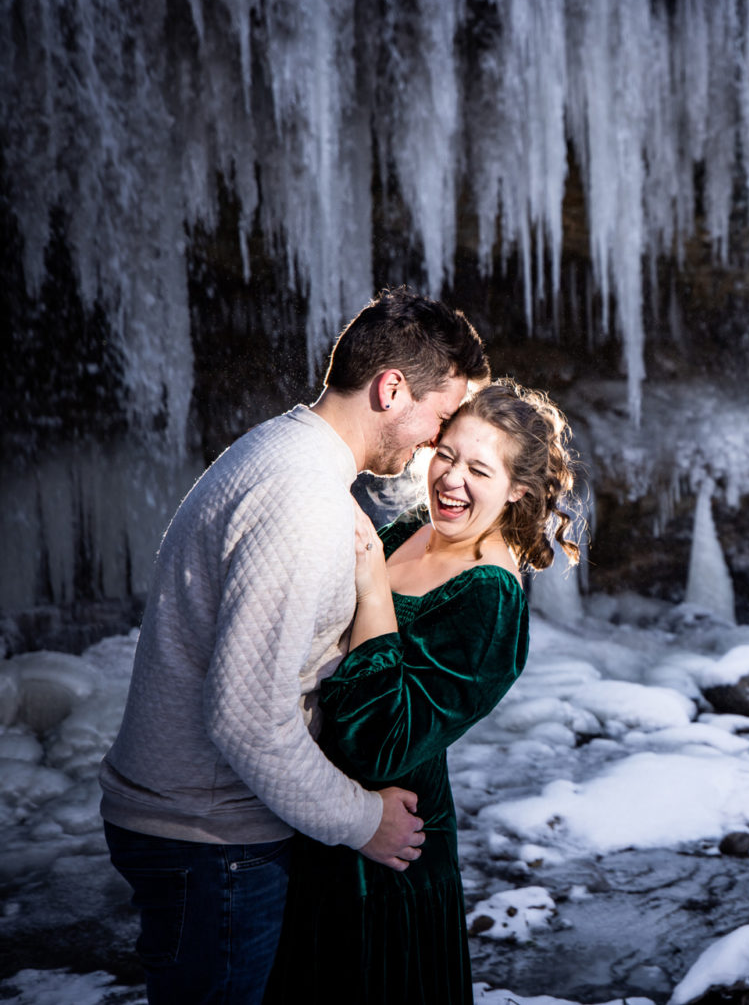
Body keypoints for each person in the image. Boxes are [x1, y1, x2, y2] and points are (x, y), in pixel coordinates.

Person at [99, 289, 490, 1004]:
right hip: (209, 839)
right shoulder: (302, 501)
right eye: (438, 418)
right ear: (391, 387)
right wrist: (364, 820)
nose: (433, 445)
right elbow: (245, 719)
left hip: (185, 822)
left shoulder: (282, 448)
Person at [264, 381, 579, 1004]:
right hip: (323, 819)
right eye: (447, 455)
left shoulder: (489, 597)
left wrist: (374, 590)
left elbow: (383, 745)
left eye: (479, 470)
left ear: (517, 488)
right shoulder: (415, 524)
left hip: (387, 857)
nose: (451, 480)